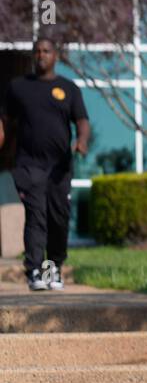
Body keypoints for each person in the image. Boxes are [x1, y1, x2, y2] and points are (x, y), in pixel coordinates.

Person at [0, 37, 89, 290]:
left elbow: (81, 121)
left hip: (59, 167)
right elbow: (5, 120)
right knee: (36, 214)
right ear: (33, 56)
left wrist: (82, 141)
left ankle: (54, 268)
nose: (41, 55)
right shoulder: (19, 87)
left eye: (46, 51)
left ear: (55, 56)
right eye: (37, 51)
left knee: (58, 218)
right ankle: (35, 270)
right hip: (29, 165)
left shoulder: (69, 88)